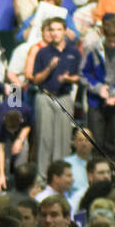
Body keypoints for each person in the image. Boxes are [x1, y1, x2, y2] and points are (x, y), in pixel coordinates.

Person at [28, 18, 83, 173]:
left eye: (59, 29)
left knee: (63, 140)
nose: (55, 33)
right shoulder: (42, 52)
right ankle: (43, 177)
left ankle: (62, 177)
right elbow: (36, 79)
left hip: (64, 97)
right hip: (45, 97)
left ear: (65, 31)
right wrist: (49, 68)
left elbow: (80, 77)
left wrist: (68, 79)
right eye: (52, 30)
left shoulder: (74, 52)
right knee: (44, 139)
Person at [81, 14, 115, 161]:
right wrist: (99, 89)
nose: (112, 44)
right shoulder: (93, 49)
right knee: (96, 141)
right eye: (109, 40)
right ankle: (97, 173)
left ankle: (112, 176)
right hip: (95, 101)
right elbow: (83, 74)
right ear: (104, 35)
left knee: (112, 141)